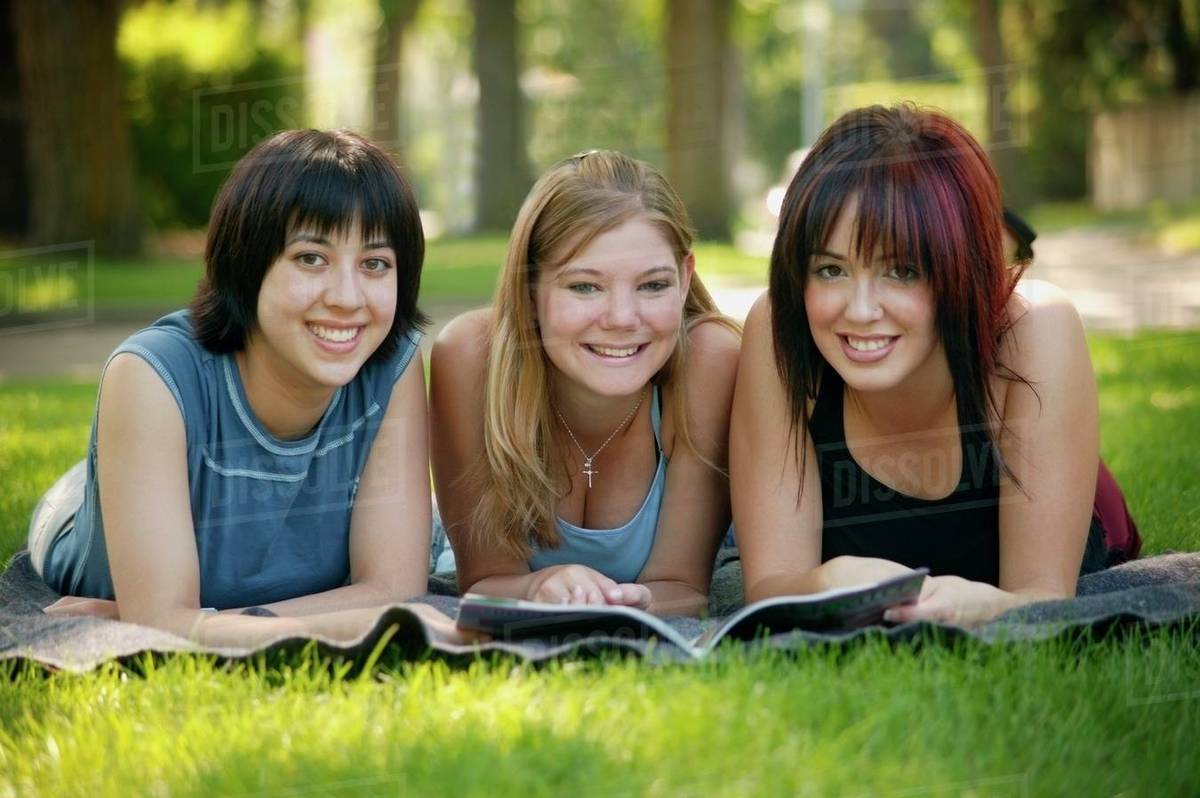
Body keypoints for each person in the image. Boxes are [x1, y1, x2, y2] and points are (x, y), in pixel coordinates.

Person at [27, 129, 463, 645]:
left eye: (375, 264)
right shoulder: (150, 377)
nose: (348, 299)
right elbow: (166, 626)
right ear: (246, 262)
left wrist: (187, 619)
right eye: (310, 258)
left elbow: (394, 589)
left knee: (433, 541)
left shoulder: (392, 362)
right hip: (103, 488)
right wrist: (170, 618)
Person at [731, 105, 1140, 627]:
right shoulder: (780, 328)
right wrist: (823, 581)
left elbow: (1041, 598)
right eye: (831, 269)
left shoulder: (1035, 327)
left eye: (902, 270)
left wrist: (988, 606)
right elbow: (768, 591)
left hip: (1078, 505)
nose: (859, 311)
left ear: (959, 267)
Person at [430, 150, 740, 616]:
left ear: (684, 279)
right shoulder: (472, 357)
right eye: (585, 286)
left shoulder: (709, 362)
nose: (621, 319)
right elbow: (484, 582)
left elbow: (683, 586)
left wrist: (621, 604)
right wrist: (538, 587)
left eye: (652, 285)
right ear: (530, 288)